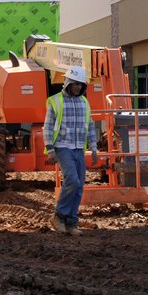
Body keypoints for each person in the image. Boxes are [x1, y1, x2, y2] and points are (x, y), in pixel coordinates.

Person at [44, 65, 99, 236]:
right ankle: (59, 216)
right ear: (68, 83)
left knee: (79, 185)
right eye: (75, 84)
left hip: (78, 148)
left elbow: (89, 126)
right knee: (72, 180)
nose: (78, 87)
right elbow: (48, 127)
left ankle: (71, 223)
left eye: (81, 85)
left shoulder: (84, 102)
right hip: (62, 146)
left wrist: (94, 147)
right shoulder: (56, 101)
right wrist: (50, 148)